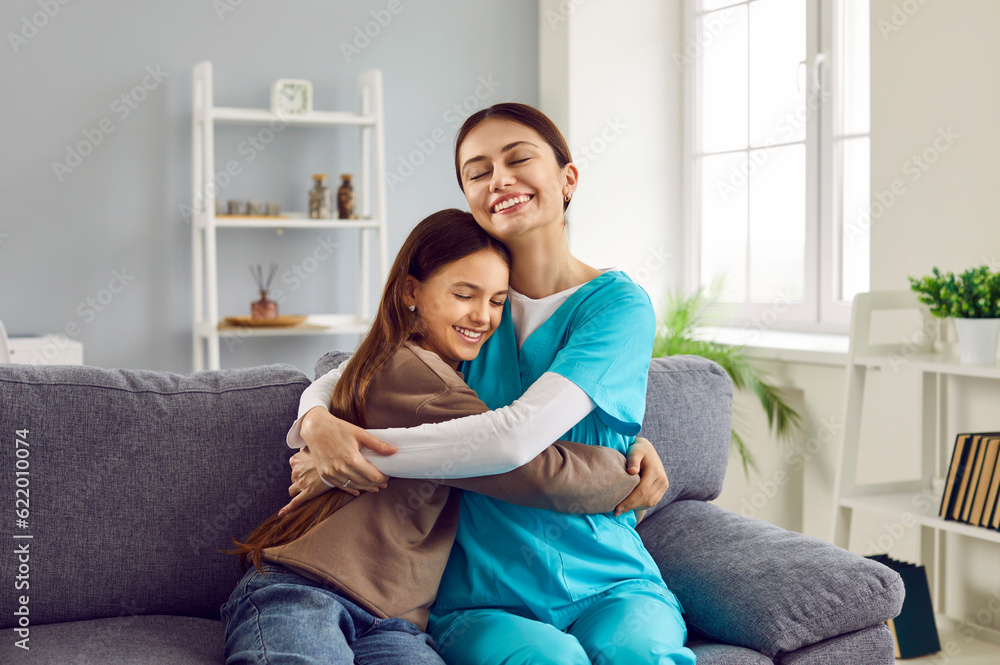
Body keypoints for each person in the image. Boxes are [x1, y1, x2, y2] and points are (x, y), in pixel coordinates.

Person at [288, 104, 696, 664]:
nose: (499, 179)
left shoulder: (616, 307)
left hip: (611, 577)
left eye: (518, 159)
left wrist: (360, 453)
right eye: (477, 172)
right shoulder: (467, 315)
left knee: (641, 655)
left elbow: (513, 439)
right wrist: (316, 422)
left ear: (567, 178)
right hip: (483, 595)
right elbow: (345, 375)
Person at [221, 209, 644, 665]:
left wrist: (315, 418)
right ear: (411, 292)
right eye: (464, 295)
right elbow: (532, 470)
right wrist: (628, 475)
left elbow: (537, 419)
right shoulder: (413, 371)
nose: (482, 317)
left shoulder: (443, 368)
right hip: (306, 586)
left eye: (498, 301)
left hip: (394, 617)